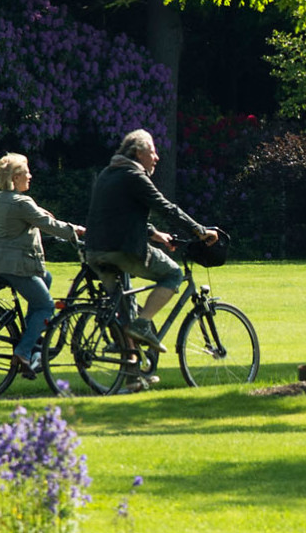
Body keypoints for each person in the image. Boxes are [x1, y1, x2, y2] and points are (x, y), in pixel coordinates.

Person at [84, 129, 220, 366]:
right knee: (173, 274)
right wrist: (199, 231)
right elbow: (166, 207)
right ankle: (143, 322)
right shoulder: (134, 175)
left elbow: (116, 216)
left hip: (95, 251)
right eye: (153, 151)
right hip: (122, 250)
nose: (157, 157)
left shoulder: (109, 173)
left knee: (124, 312)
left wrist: (154, 234)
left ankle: (132, 376)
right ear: (138, 152)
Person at [0, 152, 84, 377]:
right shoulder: (22, 203)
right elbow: (47, 224)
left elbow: (30, 217)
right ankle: (24, 352)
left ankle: (32, 337)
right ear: (15, 178)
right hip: (15, 265)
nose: (31, 176)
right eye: (26, 173)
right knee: (46, 306)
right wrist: (75, 232)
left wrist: (46, 216)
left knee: (46, 278)